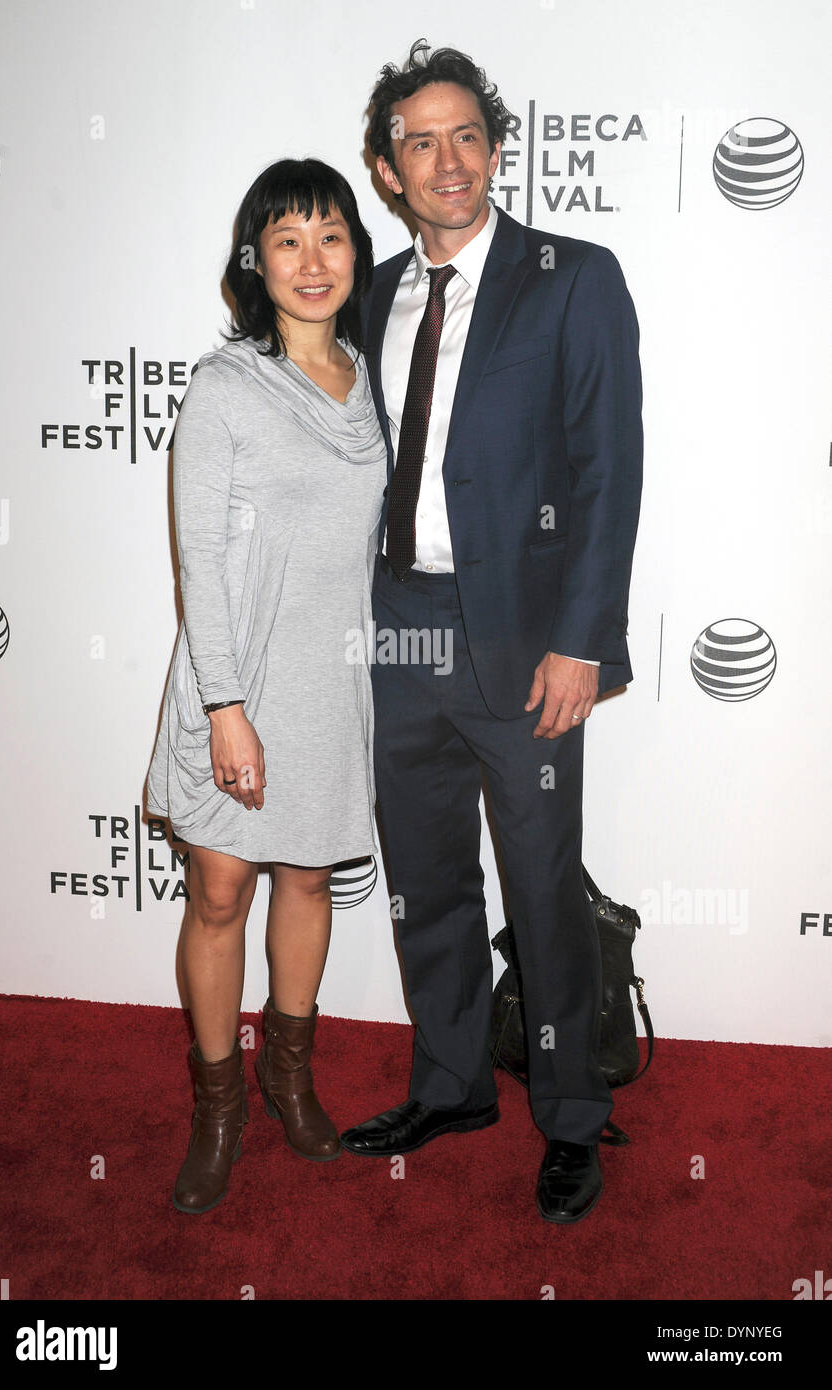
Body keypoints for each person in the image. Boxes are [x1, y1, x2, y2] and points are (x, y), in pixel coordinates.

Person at [339, 41, 643, 1225]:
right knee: (424, 878)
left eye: (466, 133)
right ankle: (453, 1080)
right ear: (387, 168)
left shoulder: (573, 277)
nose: (446, 158)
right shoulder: (367, 293)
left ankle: (569, 1115)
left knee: (539, 884)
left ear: (496, 148)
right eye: (419, 140)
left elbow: (605, 473)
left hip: (522, 638)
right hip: (398, 626)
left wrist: (581, 641)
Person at [146, 158, 387, 1214]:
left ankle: (287, 1077)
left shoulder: (374, 379)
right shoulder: (222, 385)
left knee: (304, 881)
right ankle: (217, 1110)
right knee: (219, 890)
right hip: (230, 685)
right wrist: (225, 709)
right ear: (255, 260)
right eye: (285, 239)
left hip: (329, 681)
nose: (310, 258)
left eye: (329, 234)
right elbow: (198, 561)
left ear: (353, 254)